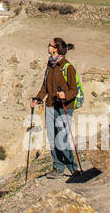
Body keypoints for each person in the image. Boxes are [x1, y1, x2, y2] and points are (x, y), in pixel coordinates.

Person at [29, 37, 81, 177]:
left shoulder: (67, 67)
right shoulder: (50, 64)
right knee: (52, 138)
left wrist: (65, 95)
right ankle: (58, 167)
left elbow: (74, 90)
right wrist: (38, 99)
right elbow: (45, 86)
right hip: (50, 106)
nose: (48, 47)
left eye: (50, 45)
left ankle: (73, 167)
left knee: (61, 138)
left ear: (56, 49)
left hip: (64, 106)